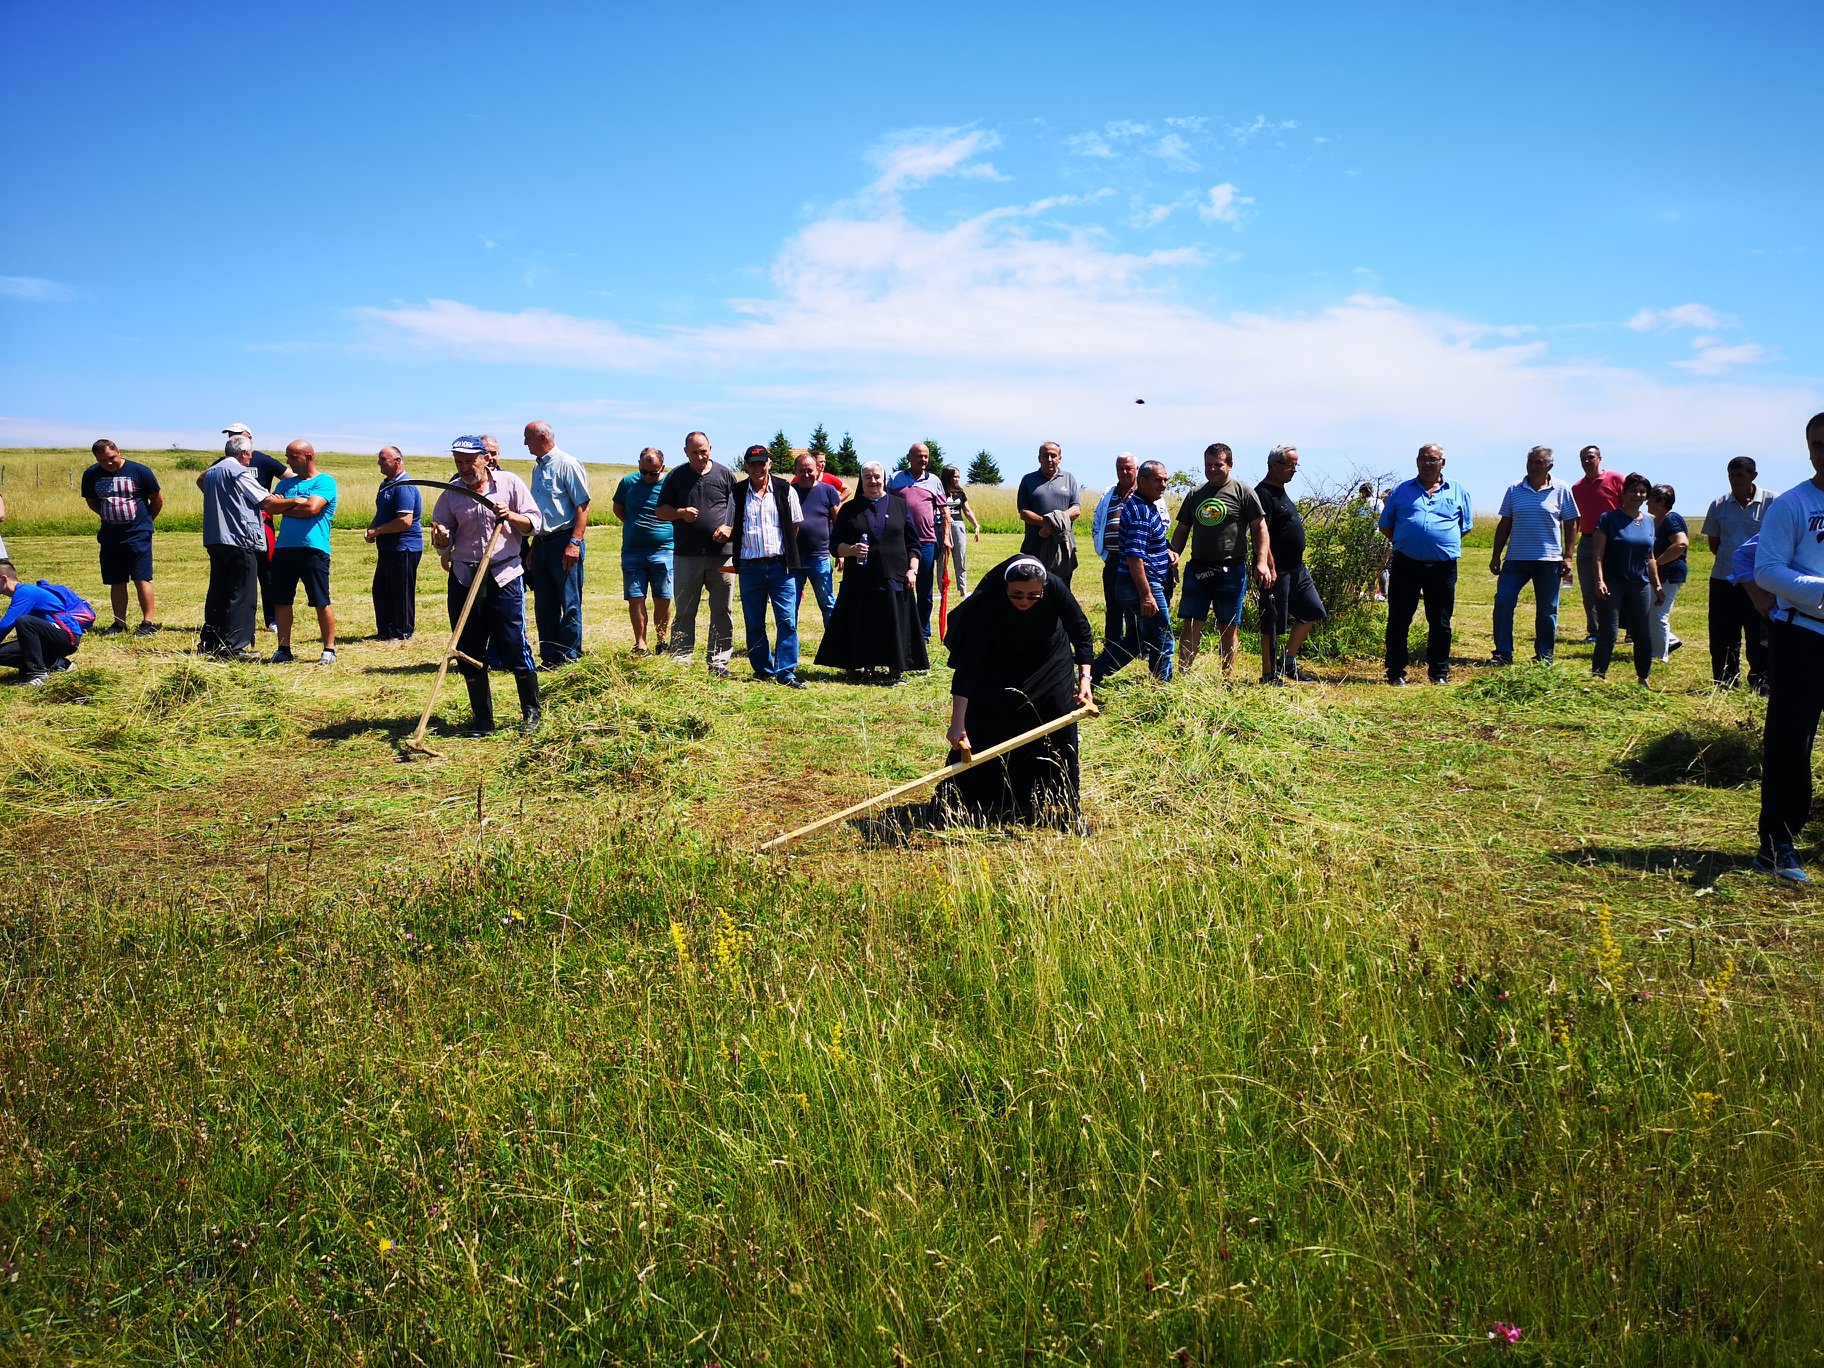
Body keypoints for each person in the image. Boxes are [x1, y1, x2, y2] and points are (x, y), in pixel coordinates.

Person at [936, 555, 1095, 830]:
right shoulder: (989, 602)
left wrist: (1085, 680)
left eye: (1034, 596)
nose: (1024, 602)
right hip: (999, 658)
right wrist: (958, 722)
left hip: (1050, 659)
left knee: (1058, 719)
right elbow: (969, 666)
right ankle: (977, 797)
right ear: (1005, 587)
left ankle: (1066, 805)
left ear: (1044, 588)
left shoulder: (1056, 588)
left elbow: (1081, 633)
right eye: (1017, 595)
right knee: (990, 715)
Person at [1750, 413, 1824, 883]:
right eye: (1817, 443)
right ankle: (1778, 844)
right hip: (1803, 635)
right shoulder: (1793, 504)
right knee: (1791, 742)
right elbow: (1767, 571)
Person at [429, 436, 543, 735]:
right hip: (465, 578)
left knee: (513, 643)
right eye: (459, 462)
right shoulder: (451, 494)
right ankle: (482, 720)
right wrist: (441, 539)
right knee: (468, 647)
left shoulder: (509, 484)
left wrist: (511, 516)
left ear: (485, 459)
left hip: (503, 575)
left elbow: (535, 523)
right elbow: (443, 536)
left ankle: (531, 713)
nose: (464, 468)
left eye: (469, 461)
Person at [815, 462, 926, 683]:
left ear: (884, 478)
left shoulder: (900, 505)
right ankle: (867, 667)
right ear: (861, 479)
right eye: (868, 477)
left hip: (895, 574)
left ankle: (896, 668)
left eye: (877, 476)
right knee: (865, 621)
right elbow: (834, 544)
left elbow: (913, 544)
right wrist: (850, 550)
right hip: (861, 578)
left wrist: (913, 569)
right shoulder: (849, 509)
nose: (873, 481)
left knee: (894, 621)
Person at [1170, 442, 1271, 674]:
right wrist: (1173, 556)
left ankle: (1227, 680)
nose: (1212, 469)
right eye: (1208, 465)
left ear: (1230, 465)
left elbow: (1260, 528)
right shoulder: (1196, 494)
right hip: (1198, 570)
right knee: (1192, 624)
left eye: (1218, 464)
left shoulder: (1243, 492)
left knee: (1228, 627)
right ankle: (1183, 676)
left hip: (1230, 571)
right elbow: (1183, 529)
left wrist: (1262, 561)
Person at [1379, 443, 1473, 685]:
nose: (1427, 463)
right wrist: (1409, 541)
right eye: (1423, 458)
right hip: (1406, 565)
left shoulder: (1458, 491)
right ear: (1417, 461)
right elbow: (1386, 525)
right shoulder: (1402, 491)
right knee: (1399, 619)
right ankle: (1395, 672)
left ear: (1443, 463)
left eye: (1432, 459)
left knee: (1440, 621)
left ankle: (1439, 672)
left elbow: (1465, 527)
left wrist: (1437, 543)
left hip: (1442, 567)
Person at [1488, 445, 1579, 665]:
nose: (1533, 466)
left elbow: (1571, 522)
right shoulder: (1514, 489)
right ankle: (1503, 653)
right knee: (1503, 601)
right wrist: (1496, 554)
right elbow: (1505, 523)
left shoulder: (1561, 488)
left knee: (1547, 610)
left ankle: (1544, 656)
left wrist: (1568, 556)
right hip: (1516, 559)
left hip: (1549, 560)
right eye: (1530, 461)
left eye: (1539, 462)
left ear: (1550, 465)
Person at [656, 431, 736, 677]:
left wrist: (728, 528)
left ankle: (719, 661)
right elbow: (661, 511)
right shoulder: (676, 476)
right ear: (685, 452)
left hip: (722, 554)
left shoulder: (724, 475)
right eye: (694, 452)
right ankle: (681, 658)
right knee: (685, 608)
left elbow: (737, 509)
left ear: (710, 448)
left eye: (704, 451)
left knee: (722, 609)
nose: (700, 456)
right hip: (686, 555)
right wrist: (680, 512)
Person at [199, 435, 284, 656]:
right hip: (239, 539)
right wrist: (294, 502)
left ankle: (211, 641)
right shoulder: (239, 472)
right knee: (242, 594)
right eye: (249, 453)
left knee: (218, 590)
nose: (251, 457)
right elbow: (265, 502)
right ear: (244, 453)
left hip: (216, 538)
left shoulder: (213, 471)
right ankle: (235, 644)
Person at [1092, 459, 1175, 682]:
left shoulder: (1146, 505)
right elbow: (1134, 556)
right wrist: (1146, 595)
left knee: (1136, 640)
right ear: (1142, 481)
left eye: (1166, 480)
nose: (1163, 485)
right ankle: (1163, 692)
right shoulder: (1140, 511)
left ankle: (1093, 674)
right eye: (1158, 480)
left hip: (1136, 584)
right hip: (1144, 585)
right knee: (1163, 640)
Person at [731, 445, 805, 687]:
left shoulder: (785, 489)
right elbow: (731, 525)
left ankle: (786, 673)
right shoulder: (738, 492)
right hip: (750, 566)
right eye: (752, 464)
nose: (757, 468)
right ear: (746, 467)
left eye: (762, 463)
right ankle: (763, 669)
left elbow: (794, 526)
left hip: (780, 567)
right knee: (754, 622)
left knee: (787, 621)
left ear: (769, 465)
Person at [1255, 445, 1327, 683]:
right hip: (1278, 571)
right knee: (1273, 622)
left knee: (1313, 610)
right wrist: (1270, 566)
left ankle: (1287, 661)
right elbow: (1260, 534)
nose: (1294, 470)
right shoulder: (1263, 494)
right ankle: (1269, 673)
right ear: (1273, 465)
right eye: (1290, 465)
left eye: (1296, 465)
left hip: (1298, 569)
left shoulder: (1282, 492)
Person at [522, 420, 591, 667]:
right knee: (544, 602)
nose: (524, 444)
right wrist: (533, 546)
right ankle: (550, 657)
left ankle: (570, 656)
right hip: (542, 542)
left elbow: (582, 505)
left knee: (569, 601)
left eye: (527, 438)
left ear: (542, 437)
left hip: (564, 540)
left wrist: (575, 542)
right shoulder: (537, 469)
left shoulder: (567, 464)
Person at [1701, 455, 1771, 691]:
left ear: (1753, 475)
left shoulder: (1773, 503)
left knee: (1759, 633)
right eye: (1731, 475)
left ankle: (1762, 679)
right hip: (1724, 579)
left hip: (1759, 581)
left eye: (1740, 475)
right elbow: (1714, 543)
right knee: (1723, 632)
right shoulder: (1719, 505)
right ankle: (1725, 680)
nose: (1735, 480)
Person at [80, 438, 162, 635]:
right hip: (110, 535)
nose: (108, 464)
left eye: (111, 458)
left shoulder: (140, 471)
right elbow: (92, 502)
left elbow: (157, 500)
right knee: (116, 579)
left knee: (141, 577)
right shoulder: (91, 474)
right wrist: (109, 515)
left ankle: (148, 623)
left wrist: (145, 521)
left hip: (138, 534)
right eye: (102, 460)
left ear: (119, 451)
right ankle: (119, 623)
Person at [267, 440, 339, 665]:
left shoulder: (325, 481)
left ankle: (329, 649)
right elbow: (269, 506)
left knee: (320, 600)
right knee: (281, 600)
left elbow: (312, 508)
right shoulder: (287, 484)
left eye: (292, 456)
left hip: (313, 549)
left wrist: (286, 506)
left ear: (308, 456)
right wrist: (296, 501)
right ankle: (283, 648)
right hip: (284, 549)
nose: (287, 461)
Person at [1589, 473, 1662, 685]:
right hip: (1612, 584)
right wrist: (1599, 581)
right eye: (1633, 491)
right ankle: (1598, 675)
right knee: (1609, 633)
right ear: (1623, 493)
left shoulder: (1649, 522)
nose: (1638, 495)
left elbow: (1650, 557)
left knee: (1642, 633)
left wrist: (1657, 585)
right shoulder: (1608, 519)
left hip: (1639, 585)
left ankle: (1643, 677)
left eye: (1642, 491)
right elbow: (1598, 555)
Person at [219, 425, 287, 633]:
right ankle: (237, 619)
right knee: (237, 571)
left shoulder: (262, 460)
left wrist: (279, 496)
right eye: (231, 436)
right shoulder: (225, 464)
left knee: (267, 569)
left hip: (261, 520)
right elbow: (204, 479)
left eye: (237, 435)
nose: (233, 438)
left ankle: (272, 618)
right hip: (235, 525)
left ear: (249, 438)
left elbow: (289, 475)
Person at [612, 446, 673, 655]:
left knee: (663, 597)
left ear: (662, 468)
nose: (647, 476)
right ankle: (640, 643)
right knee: (635, 597)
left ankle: (662, 640)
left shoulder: (670, 484)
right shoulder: (628, 482)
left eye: (653, 473)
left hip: (664, 550)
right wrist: (634, 527)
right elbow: (618, 509)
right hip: (632, 551)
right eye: (643, 471)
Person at [887, 443, 950, 641]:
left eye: (925, 457)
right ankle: (902, 628)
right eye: (918, 456)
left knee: (925, 589)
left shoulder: (934, 481)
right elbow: (885, 505)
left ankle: (923, 632)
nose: (923, 460)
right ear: (909, 457)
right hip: (900, 541)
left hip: (926, 541)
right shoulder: (896, 479)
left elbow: (944, 511)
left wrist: (946, 537)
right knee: (900, 585)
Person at [365, 445, 422, 642]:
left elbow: (404, 521)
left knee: (401, 591)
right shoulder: (386, 484)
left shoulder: (404, 485)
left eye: (383, 459)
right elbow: (382, 513)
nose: (379, 463)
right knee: (381, 589)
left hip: (404, 547)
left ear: (397, 461)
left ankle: (402, 632)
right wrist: (372, 528)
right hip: (388, 547)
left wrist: (378, 531)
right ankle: (385, 631)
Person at [1090, 452, 1140, 676]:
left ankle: (1136, 645)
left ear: (1136, 469)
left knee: (1133, 605)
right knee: (1112, 604)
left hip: (1135, 561)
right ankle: (1112, 643)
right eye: (1120, 468)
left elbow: (1163, 518)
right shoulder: (1109, 493)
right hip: (1112, 560)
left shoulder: (1145, 491)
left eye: (1128, 468)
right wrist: (1103, 551)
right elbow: (1098, 521)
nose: (1124, 472)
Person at [1569, 444, 1625, 642]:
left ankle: (1630, 630)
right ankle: (1595, 631)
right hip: (1588, 540)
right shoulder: (1577, 488)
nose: (1587, 461)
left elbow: (1629, 505)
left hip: (1614, 540)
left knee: (1619, 585)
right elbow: (1574, 519)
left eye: (1591, 457)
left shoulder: (1616, 479)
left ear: (1600, 459)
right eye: (1583, 458)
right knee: (1589, 586)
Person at [0, 560, 89, 683]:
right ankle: (59, 664)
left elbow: (5, 625)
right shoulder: (21, 593)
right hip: (49, 638)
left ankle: (38, 674)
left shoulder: (25, 592)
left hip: (67, 637)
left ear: (3, 579)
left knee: (24, 622)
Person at [1016, 441, 1083, 586]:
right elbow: (1023, 512)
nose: (1050, 459)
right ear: (1039, 458)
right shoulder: (1028, 479)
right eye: (1046, 456)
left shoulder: (1069, 478)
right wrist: (1044, 523)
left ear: (1060, 458)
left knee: (1062, 588)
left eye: (1053, 455)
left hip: (1062, 544)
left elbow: (1076, 509)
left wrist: (1052, 525)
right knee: (1035, 586)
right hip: (1035, 544)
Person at [790, 452, 842, 629]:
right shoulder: (789, 492)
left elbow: (839, 522)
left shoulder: (828, 491)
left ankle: (833, 644)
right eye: (801, 470)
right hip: (793, 558)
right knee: (791, 606)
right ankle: (789, 649)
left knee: (827, 603)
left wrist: (840, 553)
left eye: (809, 470)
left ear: (818, 469)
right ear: (795, 471)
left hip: (820, 556)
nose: (806, 474)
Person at [1646, 484, 1689, 663]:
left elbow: (1681, 543)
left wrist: (1658, 562)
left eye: (1651, 498)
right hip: (1659, 574)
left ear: (1661, 501)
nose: (1646, 501)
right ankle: (1671, 641)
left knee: (1658, 614)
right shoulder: (1658, 520)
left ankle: (1658, 656)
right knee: (1651, 612)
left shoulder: (1671, 520)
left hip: (1669, 573)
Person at [940, 464, 981, 598]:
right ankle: (942, 590)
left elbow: (967, 510)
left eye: (958, 476)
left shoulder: (960, 493)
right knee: (942, 558)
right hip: (942, 525)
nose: (957, 479)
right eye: (955, 476)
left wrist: (976, 525)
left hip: (958, 525)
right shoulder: (938, 491)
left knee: (960, 557)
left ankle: (963, 590)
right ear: (948, 477)